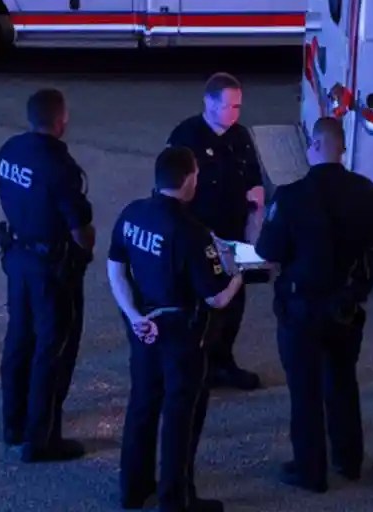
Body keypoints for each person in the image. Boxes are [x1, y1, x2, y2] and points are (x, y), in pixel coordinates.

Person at [106, 146, 245, 512]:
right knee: (181, 416)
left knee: (142, 404)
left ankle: (133, 489)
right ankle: (175, 499)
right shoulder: (192, 233)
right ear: (187, 181)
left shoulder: (132, 214)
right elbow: (216, 298)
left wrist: (134, 316)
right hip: (182, 336)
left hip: (144, 329)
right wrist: (237, 274)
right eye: (196, 175)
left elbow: (115, 268)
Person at [254, 117, 373, 492]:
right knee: (343, 381)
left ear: (313, 147)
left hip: (302, 307)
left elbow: (268, 251)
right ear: (342, 148)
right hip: (347, 306)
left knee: (305, 390)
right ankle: (348, 459)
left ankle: (310, 470)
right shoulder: (368, 193)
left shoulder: (292, 196)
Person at [0, 88, 95, 463]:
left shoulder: (9, 150)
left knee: (19, 340)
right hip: (50, 267)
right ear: (61, 120)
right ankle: (42, 438)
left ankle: (13, 423)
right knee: (52, 349)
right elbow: (80, 228)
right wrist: (83, 253)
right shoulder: (60, 166)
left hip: (17, 256)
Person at [165, 72, 265, 391]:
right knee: (200, 307)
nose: (234, 113)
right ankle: (197, 367)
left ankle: (223, 363)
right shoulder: (186, 137)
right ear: (208, 103)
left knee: (234, 305)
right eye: (228, 106)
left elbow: (253, 179)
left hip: (234, 237)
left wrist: (255, 220)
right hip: (198, 239)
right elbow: (170, 192)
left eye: (238, 107)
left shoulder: (240, 137)